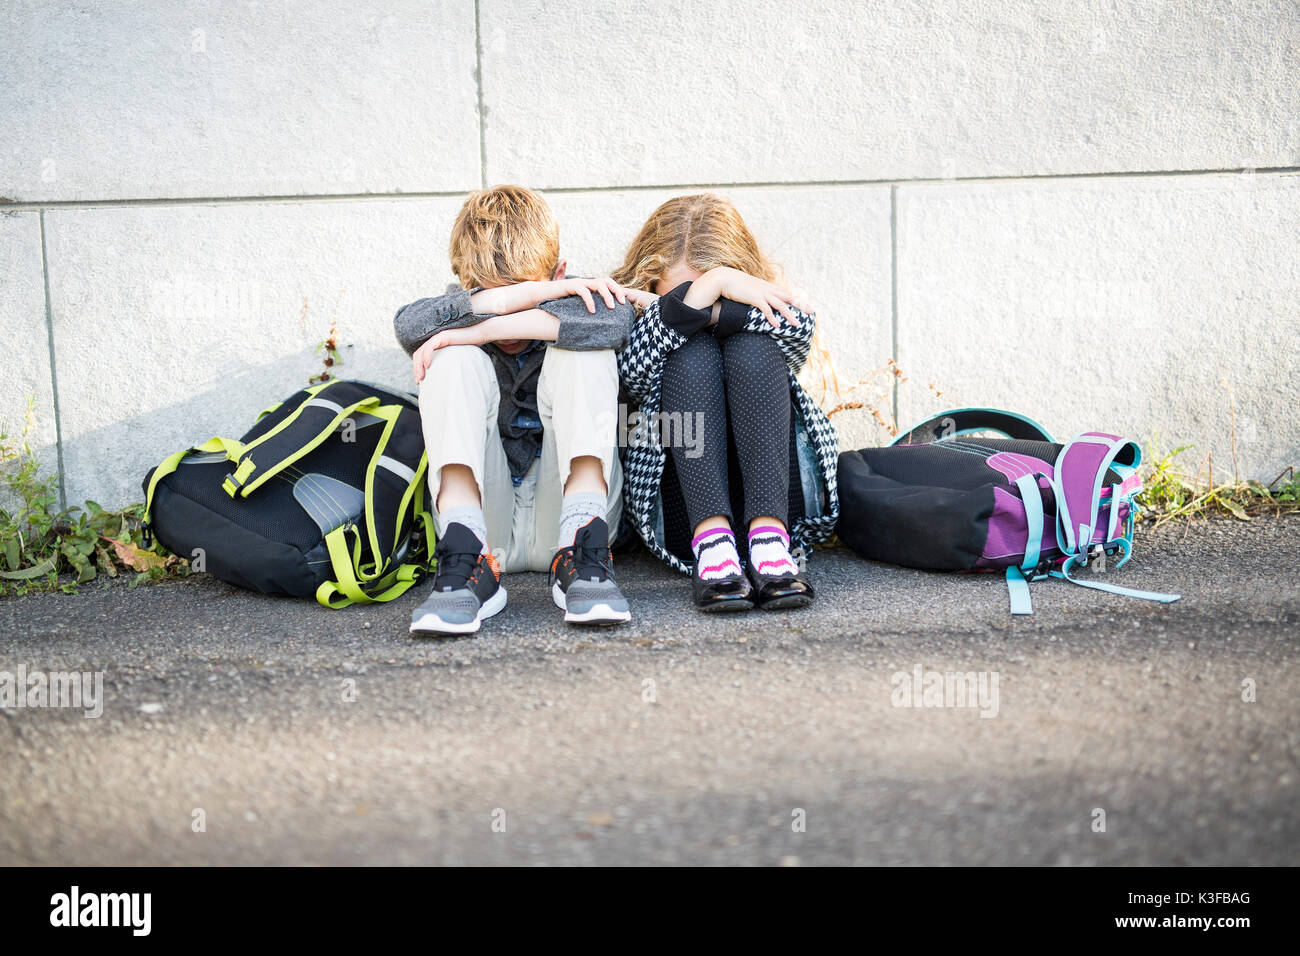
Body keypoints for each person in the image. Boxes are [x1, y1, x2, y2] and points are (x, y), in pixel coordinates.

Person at [394, 185, 635, 634]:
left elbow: (616, 321)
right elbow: (409, 325)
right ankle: (466, 561)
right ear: (467, 283)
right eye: (487, 293)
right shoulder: (455, 308)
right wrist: (501, 305)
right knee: (448, 356)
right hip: (489, 525)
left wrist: (483, 331)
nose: (503, 313)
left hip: (563, 506)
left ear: (557, 273)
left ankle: (583, 554)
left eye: (525, 289)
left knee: (585, 348)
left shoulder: (579, 296)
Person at [613, 194, 840, 612]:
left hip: (779, 503)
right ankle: (714, 544)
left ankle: (768, 539)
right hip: (681, 506)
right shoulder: (630, 312)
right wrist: (707, 293)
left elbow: (798, 329)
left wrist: (710, 299)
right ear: (648, 283)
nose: (698, 298)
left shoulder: (770, 299)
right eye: (684, 293)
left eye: (715, 286)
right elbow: (632, 372)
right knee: (689, 353)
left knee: (753, 347)